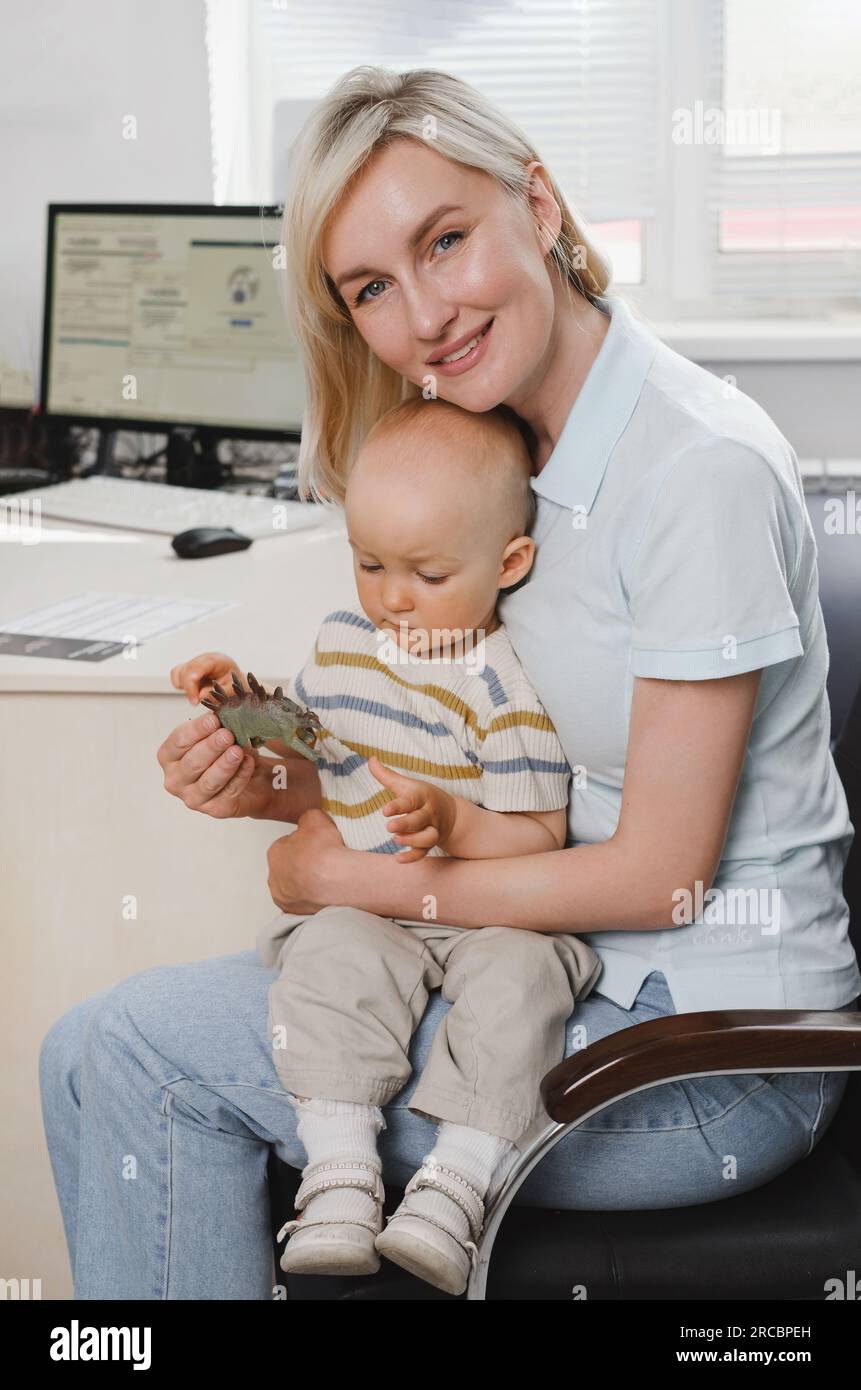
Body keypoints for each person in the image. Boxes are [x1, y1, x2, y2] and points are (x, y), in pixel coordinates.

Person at [39, 65, 860, 1301]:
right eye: (372, 286)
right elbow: (488, 760)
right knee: (79, 1053)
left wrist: (350, 873)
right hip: (558, 976)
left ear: (541, 203)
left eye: (446, 240)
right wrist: (282, 789)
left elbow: (664, 875)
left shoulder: (693, 471)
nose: (421, 315)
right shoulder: (503, 463)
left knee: (139, 1052)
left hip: (706, 1053)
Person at [183, 395, 602, 1297]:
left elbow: (541, 834)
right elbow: (308, 744)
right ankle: (338, 1176)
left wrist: (452, 824)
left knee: (524, 985)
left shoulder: (500, 686)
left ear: (509, 563)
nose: (393, 597)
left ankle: (457, 1189)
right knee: (328, 959)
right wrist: (237, 699)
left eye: (427, 573)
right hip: (374, 903)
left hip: (490, 915)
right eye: (369, 563)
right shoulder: (345, 644)